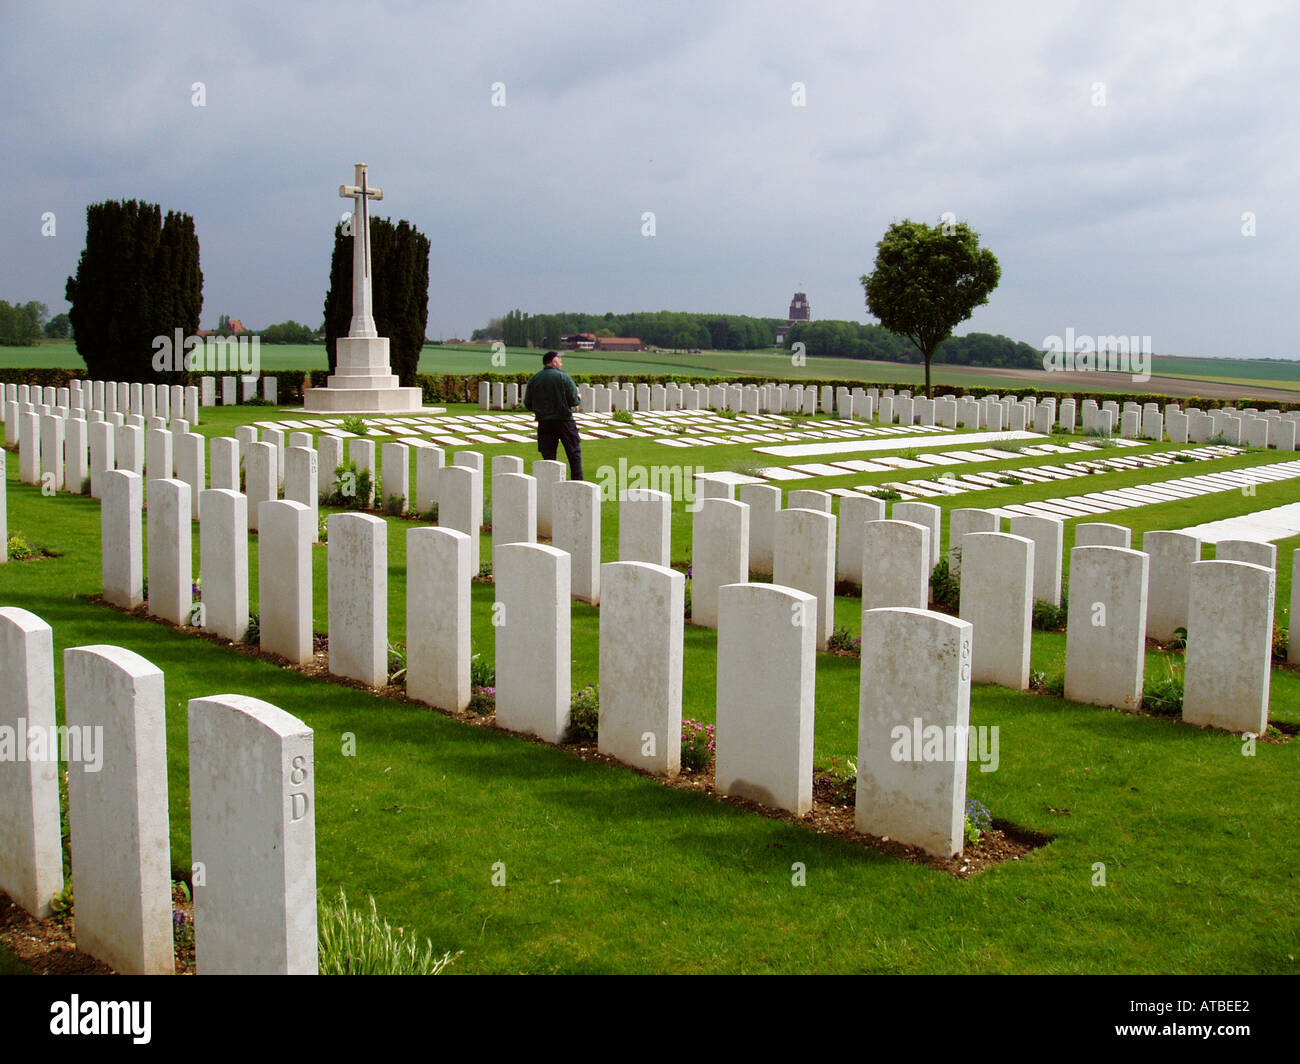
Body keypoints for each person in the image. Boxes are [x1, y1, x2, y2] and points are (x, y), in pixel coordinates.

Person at [523, 350, 583, 480]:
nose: (561, 363)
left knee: (548, 455)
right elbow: (573, 400)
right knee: (574, 453)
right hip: (564, 420)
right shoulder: (563, 377)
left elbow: (528, 403)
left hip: (544, 422)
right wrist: (578, 398)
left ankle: (549, 484)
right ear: (553, 362)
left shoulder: (534, 379)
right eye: (560, 360)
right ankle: (577, 482)